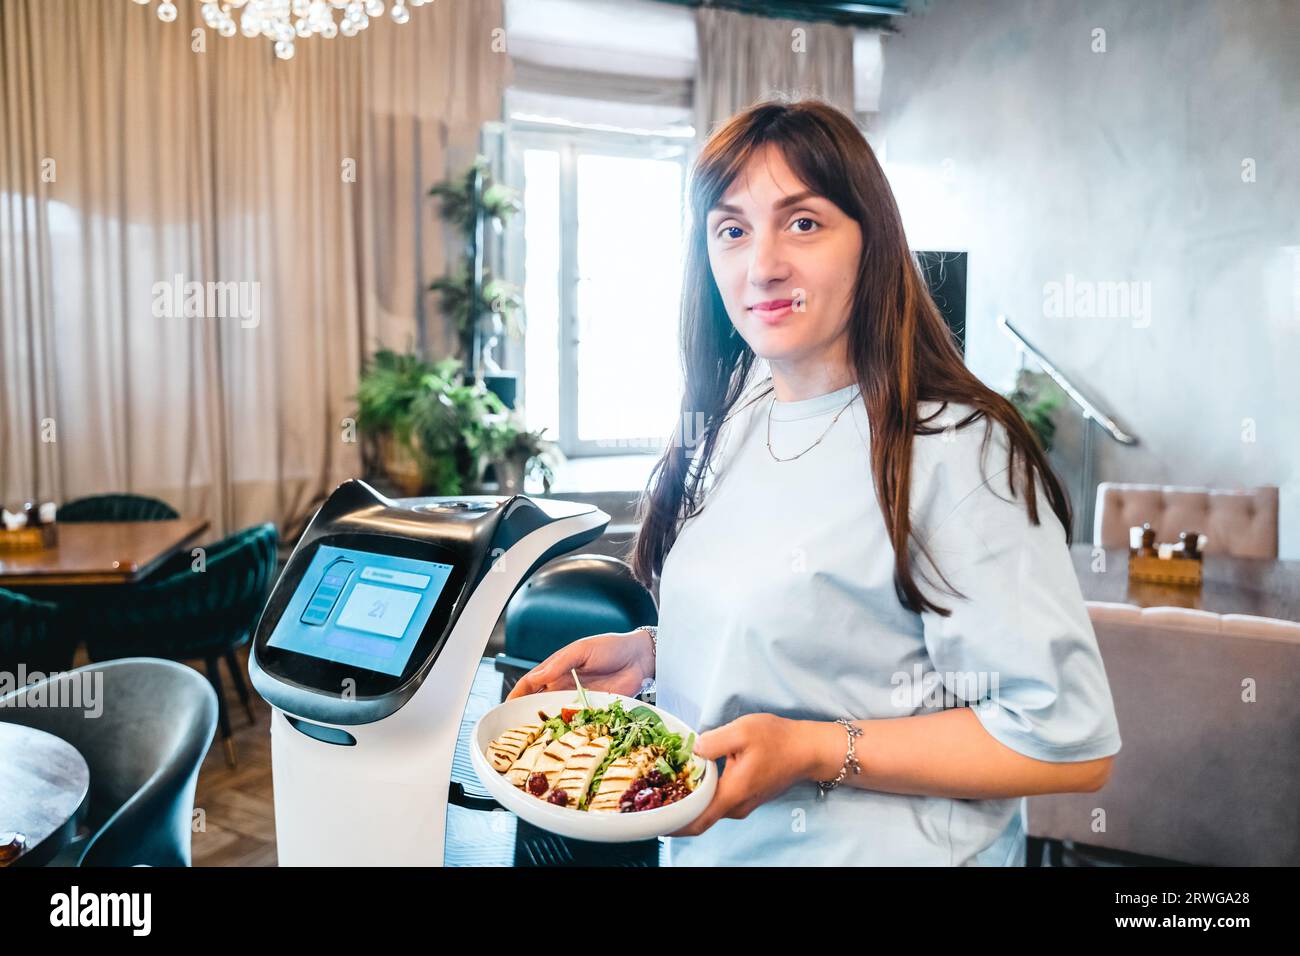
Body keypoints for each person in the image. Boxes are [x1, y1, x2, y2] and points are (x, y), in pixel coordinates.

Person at [507, 97, 1121, 866]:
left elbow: (1066, 742)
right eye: (732, 230)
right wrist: (656, 654)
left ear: (872, 242)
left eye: (803, 222)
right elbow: (819, 638)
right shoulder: (740, 415)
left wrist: (813, 750)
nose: (762, 264)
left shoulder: (956, 446)